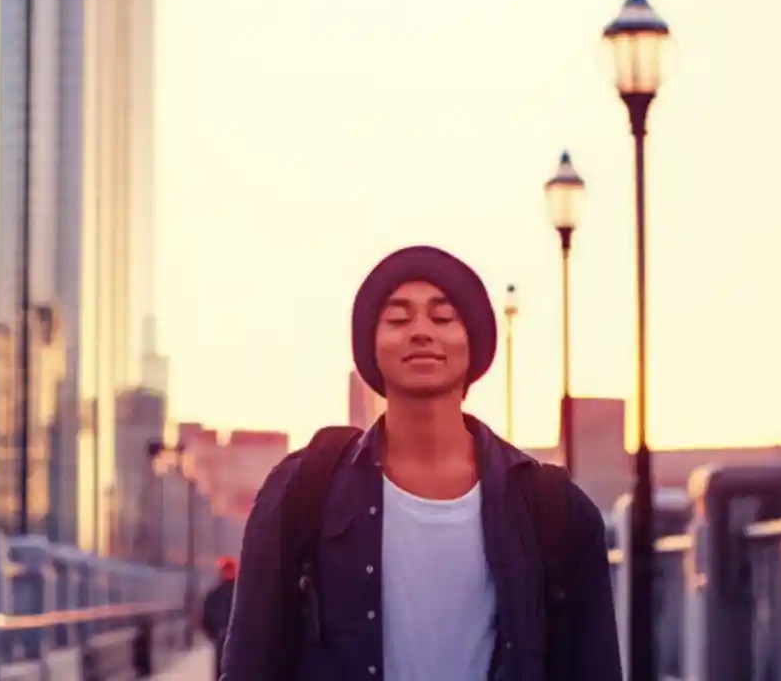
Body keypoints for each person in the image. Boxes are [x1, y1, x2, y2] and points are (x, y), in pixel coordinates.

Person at [220, 245, 621, 680]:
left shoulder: (554, 509)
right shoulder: (303, 489)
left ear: (475, 343)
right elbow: (250, 662)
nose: (421, 332)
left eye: (443, 318)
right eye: (397, 319)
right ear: (371, 347)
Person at [201, 556, 238, 677]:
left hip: (227, 640)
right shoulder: (216, 594)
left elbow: (205, 619)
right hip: (224, 640)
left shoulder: (214, 594)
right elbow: (205, 619)